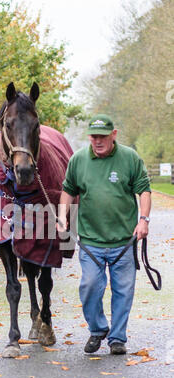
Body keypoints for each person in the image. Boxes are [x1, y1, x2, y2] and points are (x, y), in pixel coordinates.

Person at [58, 114, 151, 355]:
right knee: (89, 286)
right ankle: (98, 329)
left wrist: (144, 220)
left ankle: (117, 338)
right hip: (91, 241)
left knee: (123, 290)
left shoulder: (129, 158)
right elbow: (68, 191)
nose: (97, 141)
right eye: (93, 137)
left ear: (114, 135)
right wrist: (61, 216)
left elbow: (144, 190)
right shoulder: (78, 159)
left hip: (124, 241)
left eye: (102, 137)